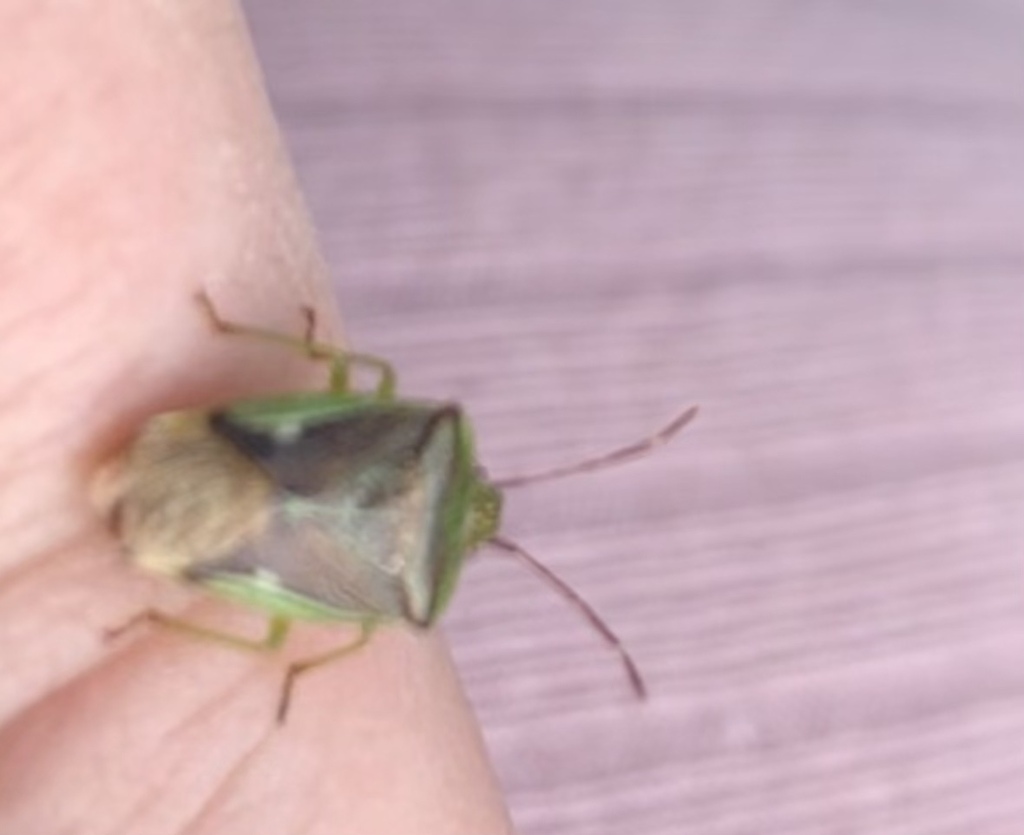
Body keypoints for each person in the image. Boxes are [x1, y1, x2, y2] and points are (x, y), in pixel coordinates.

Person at [0, 3, 511, 832]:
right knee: (283, 650)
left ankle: (224, 349)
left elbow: (366, 375)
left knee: (357, 373)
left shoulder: (422, 438)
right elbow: (337, 643)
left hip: (220, 439)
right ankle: (162, 598)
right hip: (218, 552)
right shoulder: (388, 601)